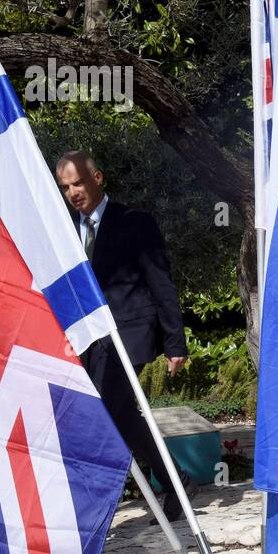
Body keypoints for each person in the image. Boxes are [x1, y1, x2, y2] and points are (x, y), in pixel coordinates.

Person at [55, 151, 194, 521]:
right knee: (118, 413)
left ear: (97, 178)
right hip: (90, 339)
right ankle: (175, 479)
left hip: (131, 331)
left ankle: (95, 499)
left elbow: (160, 283)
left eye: (78, 183)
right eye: (66, 187)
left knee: (108, 408)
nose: (73, 193)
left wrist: (174, 343)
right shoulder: (65, 230)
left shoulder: (135, 222)